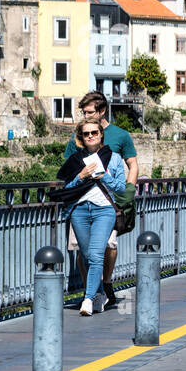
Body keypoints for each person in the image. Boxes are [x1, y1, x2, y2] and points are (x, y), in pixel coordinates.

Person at [62, 91, 137, 309]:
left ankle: (104, 284)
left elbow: (133, 165)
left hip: (108, 202)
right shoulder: (78, 138)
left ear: (102, 111)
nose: (85, 116)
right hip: (81, 203)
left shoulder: (120, 136)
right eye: (83, 112)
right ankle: (92, 293)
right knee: (82, 250)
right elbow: (68, 171)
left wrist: (127, 194)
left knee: (109, 244)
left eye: (89, 112)